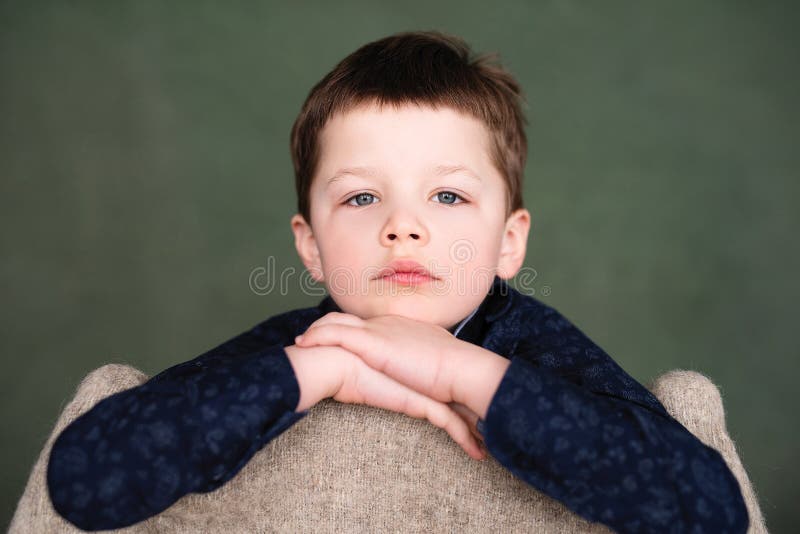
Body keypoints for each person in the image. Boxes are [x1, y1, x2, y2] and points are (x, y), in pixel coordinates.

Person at [46, 30, 749, 532]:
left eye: (447, 197)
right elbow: (83, 484)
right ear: (312, 247)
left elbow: (707, 509)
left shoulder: (534, 346)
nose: (402, 227)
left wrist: (460, 369)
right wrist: (314, 374)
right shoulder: (304, 345)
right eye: (360, 198)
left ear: (509, 243)